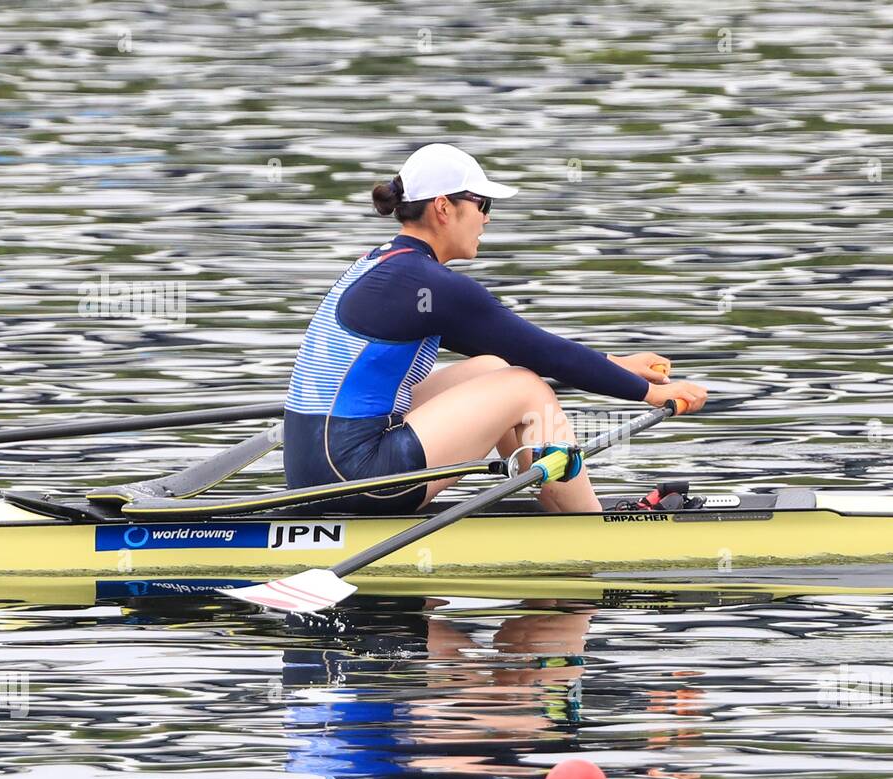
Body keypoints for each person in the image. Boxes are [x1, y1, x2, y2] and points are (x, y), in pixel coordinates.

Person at [284, 143, 707, 514]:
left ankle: (563, 509)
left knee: (492, 367)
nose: (487, 219)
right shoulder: (426, 283)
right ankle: (586, 526)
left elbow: (520, 345)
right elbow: (543, 355)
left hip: (316, 468)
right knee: (523, 387)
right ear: (444, 207)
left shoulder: (387, 265)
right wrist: (652, 394)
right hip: (352, 476)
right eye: (483, 205)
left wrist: (619, 365)